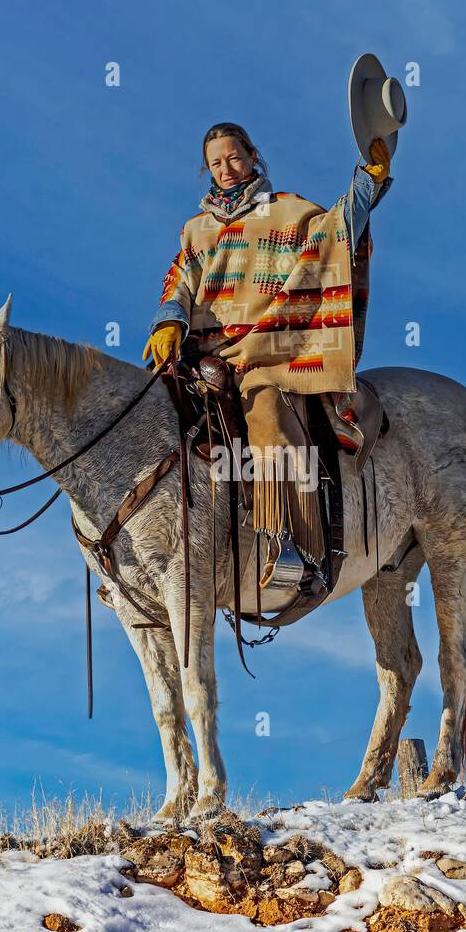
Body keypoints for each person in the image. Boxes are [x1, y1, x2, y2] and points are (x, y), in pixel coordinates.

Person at [143, 122, 392, 587]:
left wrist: (367, 182)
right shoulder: (195, 230)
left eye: (234, 158)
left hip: (265, 351)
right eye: (216, 163)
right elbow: (179, 280)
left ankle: (292, 539)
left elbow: (336, 235)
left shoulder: (287, 213)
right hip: (201, 354)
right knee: (143, 411)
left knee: (266, 410)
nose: (226, 169)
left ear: (253, 156)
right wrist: (169, 321)